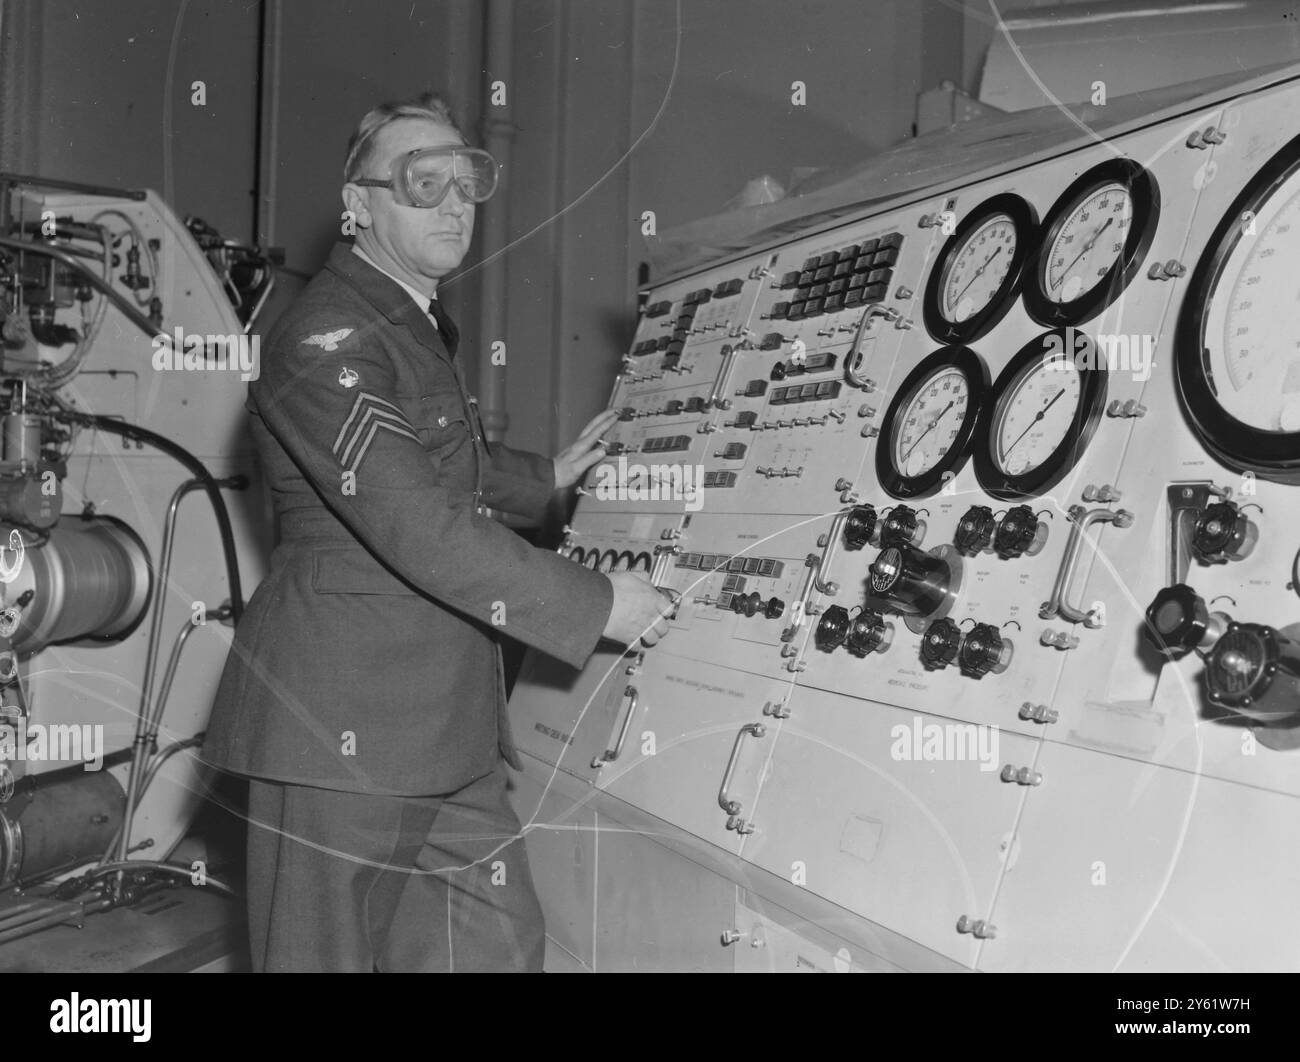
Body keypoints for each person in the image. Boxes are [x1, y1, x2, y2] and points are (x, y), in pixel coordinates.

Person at [202, 92, 672, 972]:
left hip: (443, 727)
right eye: (424, 181)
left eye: (467, 180)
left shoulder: (405, 322)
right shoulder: (325, 334)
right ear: (357, 204)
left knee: (490, 950)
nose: (455, 202)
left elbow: (435, 456)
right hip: (338, 725)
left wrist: (550, 476)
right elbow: (413, 515)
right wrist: (601, 601)